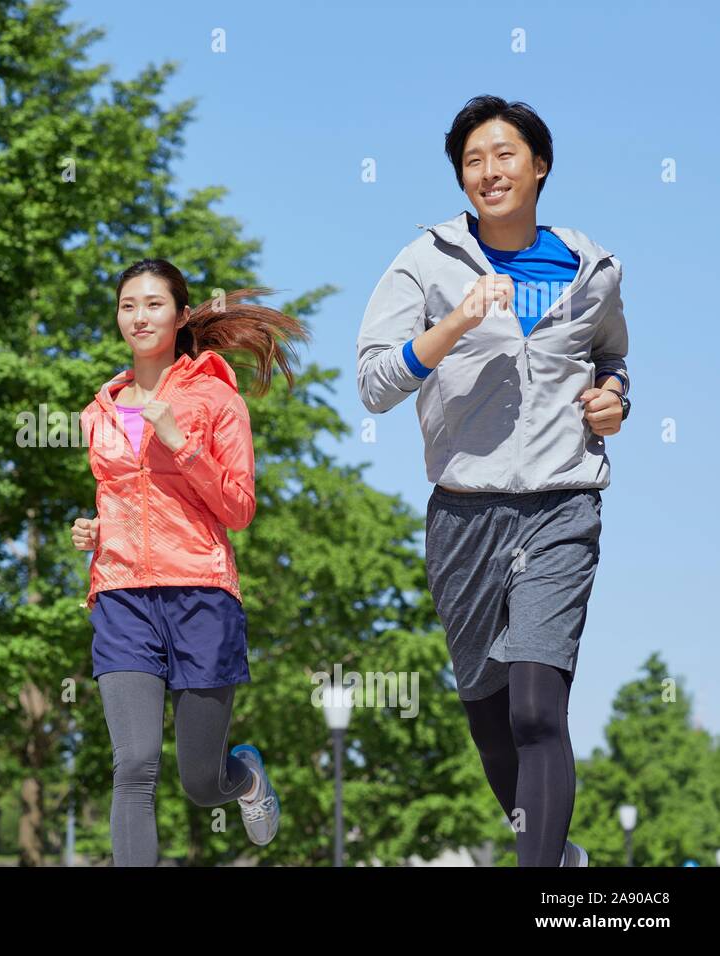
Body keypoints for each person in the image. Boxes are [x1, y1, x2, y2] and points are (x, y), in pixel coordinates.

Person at [356, 95, 632, 867]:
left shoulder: (592, 270)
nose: (489, 171)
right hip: (464, 514)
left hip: (562, 505)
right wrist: (450, 328)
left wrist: (615, 399)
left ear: (539, 165)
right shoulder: (427, 263)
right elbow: (374, 384)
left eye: (505, 154)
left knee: (540, 709)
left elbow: (611, 360)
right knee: (491, 719)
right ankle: (557, 853)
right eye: (474, 160)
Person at [73, 258, 307, 866]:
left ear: (180, 317)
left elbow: (238, 508)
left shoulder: (215, 400)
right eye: (128, 305)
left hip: (200, 596)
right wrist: (95, 531)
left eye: (154, 304)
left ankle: (245, 777)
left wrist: (182, 442)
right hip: (121, 598)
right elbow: (127, 498)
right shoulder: (98, 411)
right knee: (134, 766)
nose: (139, 316)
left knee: (200, 781)